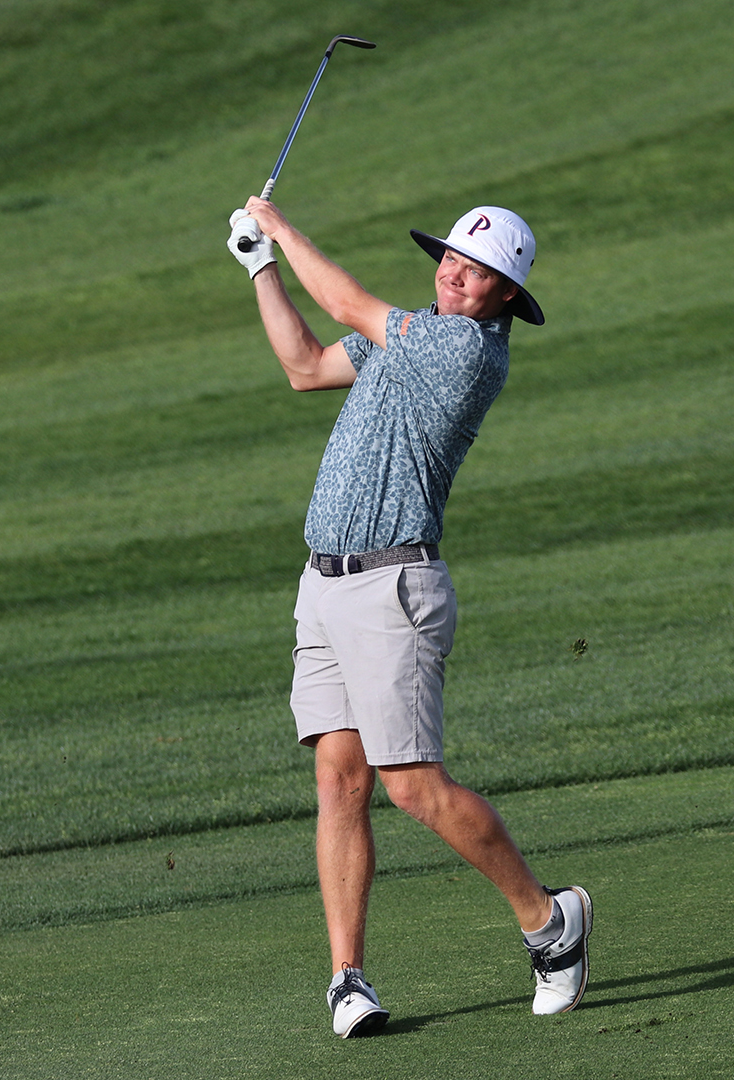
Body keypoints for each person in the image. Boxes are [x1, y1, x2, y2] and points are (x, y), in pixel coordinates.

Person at [226, 196, 590, 1038]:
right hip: (323, 585)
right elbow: (306, 365)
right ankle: (347, 979)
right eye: (453, 258)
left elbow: (350, 303)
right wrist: (260, 269)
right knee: (338, 781)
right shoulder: (413, 334)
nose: (456, 273)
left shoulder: (462, 348)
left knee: (412, 788)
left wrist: (281, 228)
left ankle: (550, 922)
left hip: (394, 590)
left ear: (506, 297)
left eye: (480, 272)